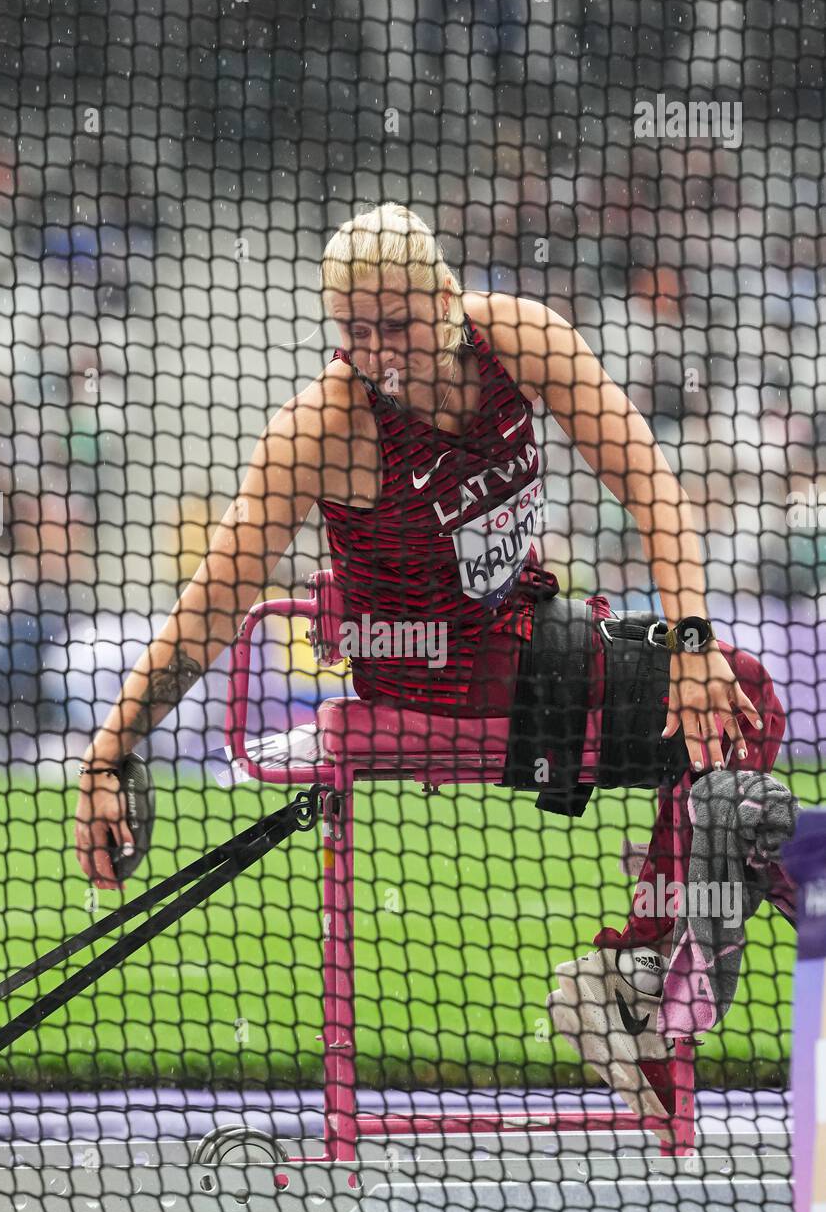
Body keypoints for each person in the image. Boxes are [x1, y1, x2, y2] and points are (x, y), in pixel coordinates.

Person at [75, 201, 787, 1126]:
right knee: (747, 720)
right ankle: (641, 980)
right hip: (437, 672)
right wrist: (108, 751)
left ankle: (641, 976)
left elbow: (650, 480)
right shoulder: (318, 433)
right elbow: (215, 602)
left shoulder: (521, 340)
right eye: (357, 331)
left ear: (448, 299)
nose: (382, 350)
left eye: (399, 323)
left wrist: (691, 648)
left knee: (731, 698)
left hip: (535, 627)